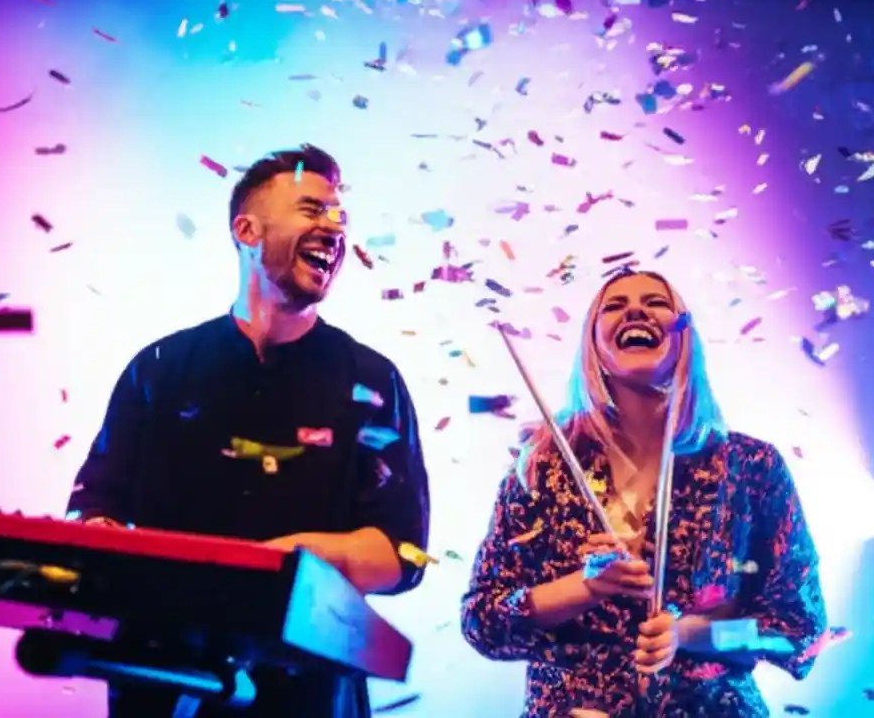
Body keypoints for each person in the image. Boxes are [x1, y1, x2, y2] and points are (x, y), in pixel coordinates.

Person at [67, 144, 430, 718]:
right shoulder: (159, 367)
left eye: (340, 216)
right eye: (312, 209)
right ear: (247, 229)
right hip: (158, 681)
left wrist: (288, 565)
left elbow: (402, 552)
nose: (332, 227)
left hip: (306, 693)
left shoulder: (371, 379)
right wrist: (103, 542)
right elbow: (94, 506)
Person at [460, 270, 827, 718]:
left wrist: (690, 633)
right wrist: (585, 587)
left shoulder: (752, 467)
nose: (635, 310)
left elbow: (799, 630)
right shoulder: (541, 468)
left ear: (683, 332)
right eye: (614, 306)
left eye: (656, 302)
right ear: (592, 342)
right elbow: (482, 622)